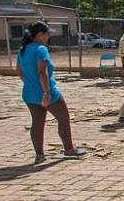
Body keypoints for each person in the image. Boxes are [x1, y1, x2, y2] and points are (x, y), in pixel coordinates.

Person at [16, 20, 86, 163]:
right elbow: (43, 72)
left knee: (37, 123)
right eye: (47, 34)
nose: (48, 37)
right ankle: (69, 149)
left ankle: (40, 155)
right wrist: (46, 92)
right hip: (46, 92)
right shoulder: (40, 49)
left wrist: (31, 84)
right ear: (41, 35)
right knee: (63, 118)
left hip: (29, 93)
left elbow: (19, 72)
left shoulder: (22, 50)